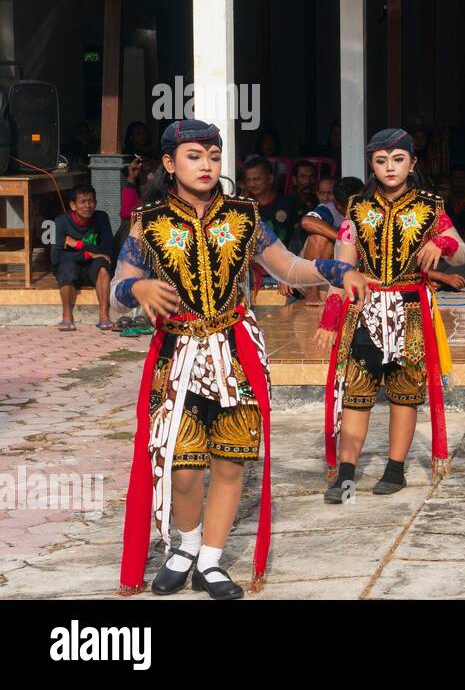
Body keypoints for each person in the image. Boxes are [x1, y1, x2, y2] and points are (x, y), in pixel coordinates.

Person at [112, 119, 368, 598]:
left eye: (213, 156)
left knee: (231, 463)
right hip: (177, 357)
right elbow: (116, 297)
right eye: (194, 156)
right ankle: (184, 546)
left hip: (235, 352)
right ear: (169, 163)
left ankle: (211, 561)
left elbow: (289, 265)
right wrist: (138, 286)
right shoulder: (147, 222)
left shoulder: (245, 217)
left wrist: (339, 269)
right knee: (183, 466)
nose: (206, 165)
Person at [316, 128, 465, 503]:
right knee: (356, 393)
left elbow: (462, 253)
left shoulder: (431, 206)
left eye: (398, 160)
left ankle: (395, 469)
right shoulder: (356, 208)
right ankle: (347, 475)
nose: (390, 168)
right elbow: (342, 268)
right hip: (365, 310)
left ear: (412, 164)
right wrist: (329, 319)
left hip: (411, 313)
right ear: (371, 164)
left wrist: (441, 242)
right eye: (381, 161)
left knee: (404, 393)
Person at [52, 185, 115, 331]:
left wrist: (78, 244)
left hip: (93, 266)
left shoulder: (101, 218)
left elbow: (109, 250)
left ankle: (104, 315)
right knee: (66, 265)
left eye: (91, 201)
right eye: (83, 202)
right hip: (72, 267)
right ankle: (67, 316)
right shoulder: (61, 221)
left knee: (103, 265)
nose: (88, 206)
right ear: (73, 205)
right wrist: (87, 254)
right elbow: (56, 256)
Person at [243, 155, 301, 261]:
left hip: (285, 265)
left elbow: (300, 237)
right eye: (248, 180)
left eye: (256, 179)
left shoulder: (288, 203)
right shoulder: (244, 207)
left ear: (270, 178)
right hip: (256, 268)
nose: (252, 184)